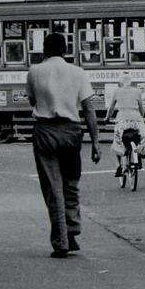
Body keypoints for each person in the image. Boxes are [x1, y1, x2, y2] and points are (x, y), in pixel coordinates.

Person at [26, 32, 100, 258]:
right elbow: (88, 109)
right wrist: (95, 142)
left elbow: (32, 101)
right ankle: (72, 230)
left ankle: (61, 242)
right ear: (65, 50)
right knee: (70, 184)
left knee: (53, 187)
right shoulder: (78, 72)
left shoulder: (34, 71)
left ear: (44, 50)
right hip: (71, 132)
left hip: (45, 131)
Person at [105, 73, 145, 176]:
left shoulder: (117, 91)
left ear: (120, 82)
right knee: (143, 137)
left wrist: (107, 118)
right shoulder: (137, 91)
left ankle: (119, 166)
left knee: (117, 141)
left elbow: (110, 109)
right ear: (131, 82)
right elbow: (142, 109)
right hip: (137, 121)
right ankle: (139, 155)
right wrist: (141, 116)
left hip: (122, 121)